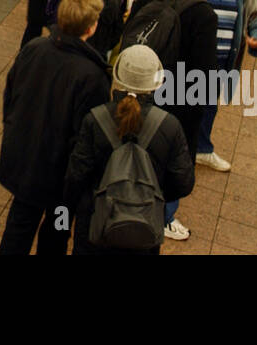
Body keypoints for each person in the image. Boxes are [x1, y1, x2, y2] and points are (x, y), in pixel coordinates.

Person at [0, 0, 110, 255]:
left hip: (26, 162)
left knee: (18, 228)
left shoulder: (34, 49)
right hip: (62, 180)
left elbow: (10, 96)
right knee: (56, 233)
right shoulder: (92, 76)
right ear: (91, 28)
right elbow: (87, 136)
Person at [126, 0, 218, 242]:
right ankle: (161, 219)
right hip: (176, 101)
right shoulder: (204, 14)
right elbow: (201, 76)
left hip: (140, 89)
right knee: (166, 165)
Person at [64, 45, 195, 255]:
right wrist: (153, 193)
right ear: (157, 81)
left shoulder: (94, 120)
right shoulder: (169, 126)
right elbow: (183, 183)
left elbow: (75, 177)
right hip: (144, 230)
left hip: (95, 226)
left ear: (116, 77)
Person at [159, 0, 257, 172]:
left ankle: (202, 149)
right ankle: (168, 149)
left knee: (208, 105)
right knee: (175, 102)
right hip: (184, 57)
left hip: (220, 60)